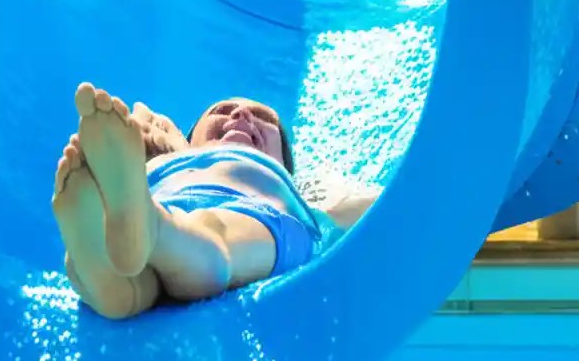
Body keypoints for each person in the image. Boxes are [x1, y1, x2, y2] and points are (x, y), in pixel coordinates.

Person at [52, 82, 380, 320]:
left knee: (211, 233)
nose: (239, 114)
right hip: (159, 209)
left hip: (245, 213)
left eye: (262, 118)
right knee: (195, 244)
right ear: (188, 142)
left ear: (285, 166)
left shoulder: (295, 191)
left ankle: (112, 271)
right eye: (221, 112)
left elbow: (359, 207)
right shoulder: (170, 163)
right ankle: (119, 280)